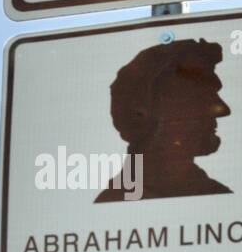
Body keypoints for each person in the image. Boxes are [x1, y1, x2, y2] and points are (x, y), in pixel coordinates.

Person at [96, 38, 232, 202]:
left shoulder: (218, 199)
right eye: (198, 97)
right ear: (146, 113)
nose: (222, 109)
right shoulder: (114, 207)